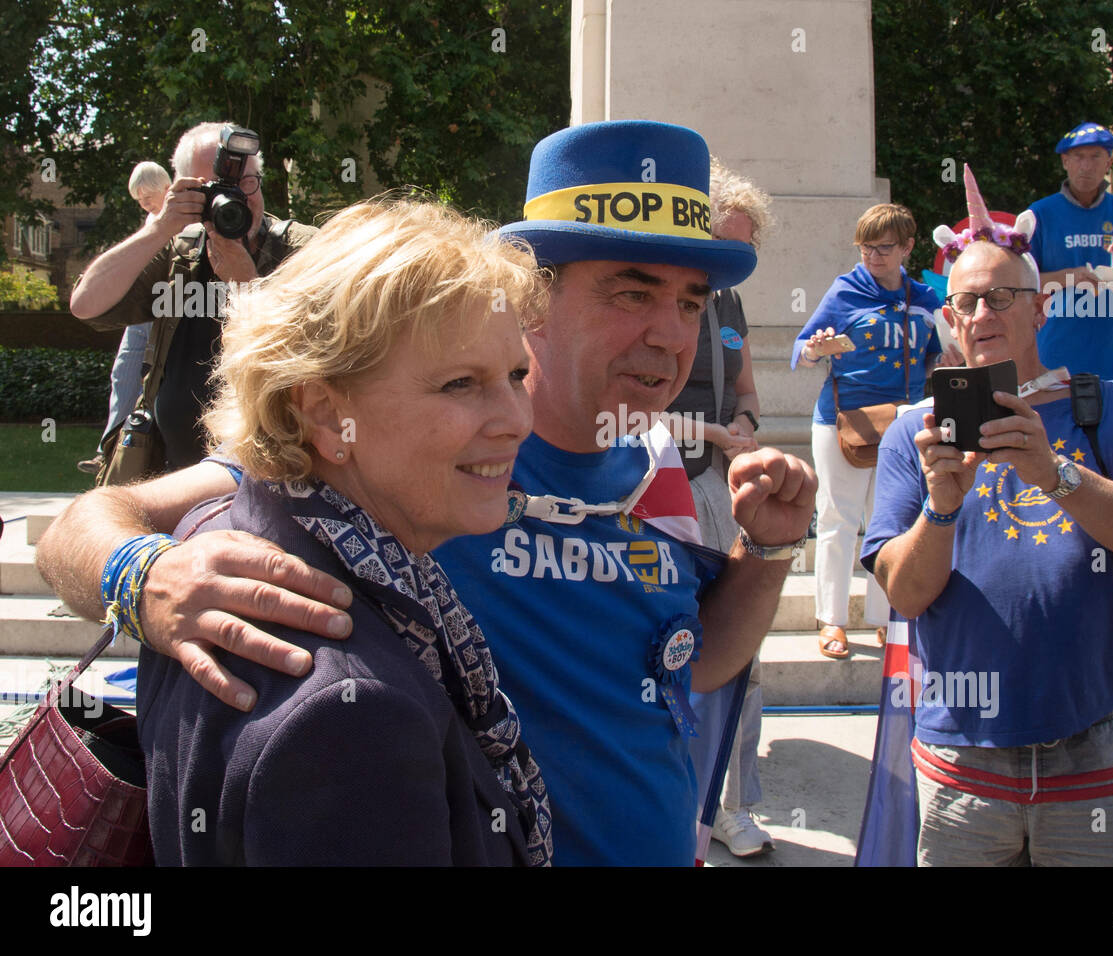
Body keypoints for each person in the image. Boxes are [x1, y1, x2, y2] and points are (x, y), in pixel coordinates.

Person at [36, 120, 817, 867]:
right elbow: (84, 524)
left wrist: (769, 550)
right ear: (533, 300)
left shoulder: (656, 462)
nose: (674, 336)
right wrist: (144, 576)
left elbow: (688, 663)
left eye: (691, 302)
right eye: (632, 293)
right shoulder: (409, 460)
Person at [125, 198, 552, 865]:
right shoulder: (353, 716)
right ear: (325, 413)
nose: (516, 419)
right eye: (461, 383)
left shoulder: (216, 537)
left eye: (517, 375)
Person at [861, 172, 1113, 866]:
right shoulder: (913, 434)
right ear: (949, 319)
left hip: (1095, 741)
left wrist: (1057, 474)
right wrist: (942, 510)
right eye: (965, 302)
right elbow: (905, 592)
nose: (981, 315)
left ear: (1040, 310)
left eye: (1000, 298)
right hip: (961, 756)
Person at [70, 122, 317, 472]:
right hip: (175, 470)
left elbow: (331, 353)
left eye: (246, 183)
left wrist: (247, 283)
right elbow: (86, 304)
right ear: (184, 192)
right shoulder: (178, 253)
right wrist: (159, 227)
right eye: (216, 190)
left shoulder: (303, 250)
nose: (236, 200)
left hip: (279, 475)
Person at [665, 159, 772, 857]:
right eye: (726, 247)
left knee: (742, 651)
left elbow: (747, 392)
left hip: (718, 487)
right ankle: (680, 798)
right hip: (660, 484)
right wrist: (711, 433)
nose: (734, 266)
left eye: (746, 253)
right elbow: (623, 414)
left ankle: (732, 803)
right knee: (677, 645)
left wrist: (746, 430)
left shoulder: (728, 307)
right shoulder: (665, 296)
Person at [791, 204, 943, 660]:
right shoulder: (845, 290)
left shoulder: (926, 298)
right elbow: (801, 350)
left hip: (905, 422)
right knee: (838, 520)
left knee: (892, 521)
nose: (873, 257)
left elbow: (938, 353)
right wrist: (817, 349)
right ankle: (832, 621)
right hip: (845, 422)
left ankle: (886, 618)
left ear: (908, 247)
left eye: (884, 248)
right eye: (866, 247)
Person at [1028, 122, 1113, 383]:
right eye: (1078, 157)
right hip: (1053, 358)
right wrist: (1071, 277)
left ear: (1109, 163)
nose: (1086, 166)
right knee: (1056, 425)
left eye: (1095, 157)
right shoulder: (1040, 214)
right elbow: (1024, 282)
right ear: (1065, 161)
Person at [78, 162, 173, 476]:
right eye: (139, 198)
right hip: (148, 307)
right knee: (124, 372)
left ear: (165, 187)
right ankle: (108, 448)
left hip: (171, 306)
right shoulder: (152, 221)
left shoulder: (183, 215)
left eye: (147, 195)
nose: (144, 202)